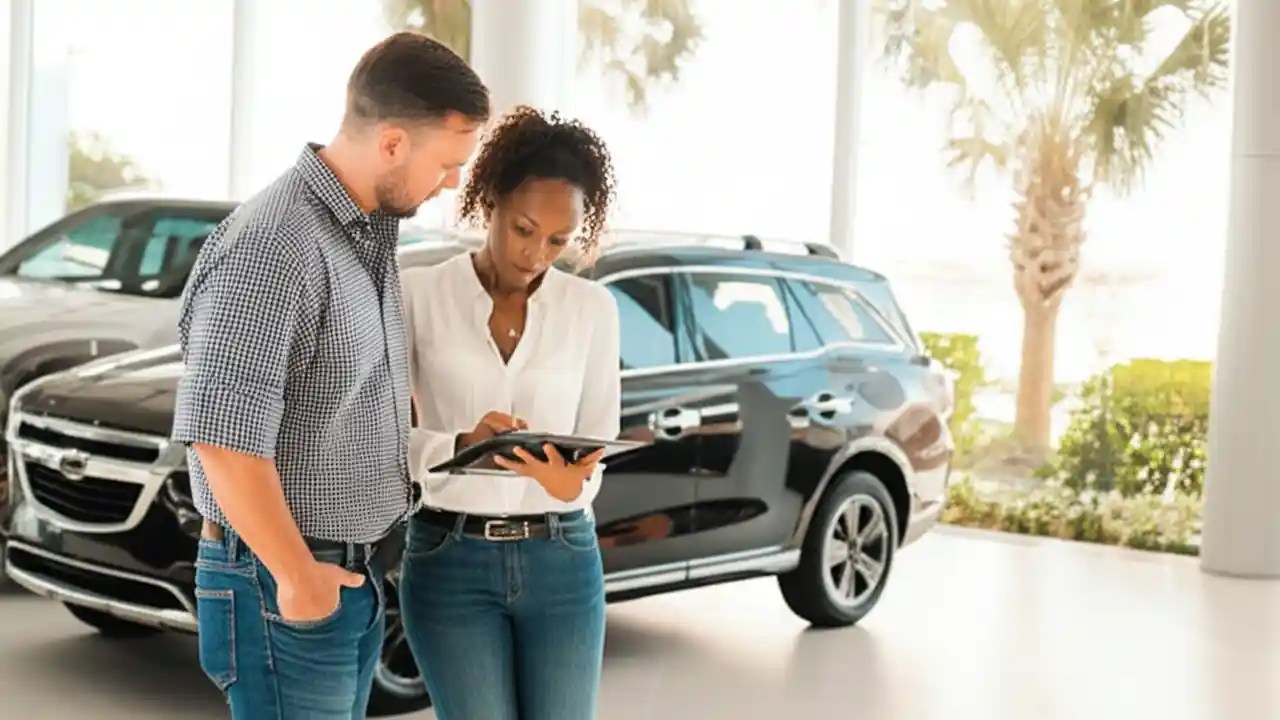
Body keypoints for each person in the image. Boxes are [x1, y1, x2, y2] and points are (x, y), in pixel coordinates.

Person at [171, 32, 488, 718]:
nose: (454, 182)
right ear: (395, 144)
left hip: (343, 574)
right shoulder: (275, 245)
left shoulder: (364, 234)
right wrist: (296, 576)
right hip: (280, 581)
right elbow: (222, 438)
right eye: (448, 162)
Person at [398, 106, 620, 720]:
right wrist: (458, 443)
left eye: (557, 240)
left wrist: (572, 481)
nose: (536, 254)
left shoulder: (593, 309)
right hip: (450, 556)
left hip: (563, 559)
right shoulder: (418, 292)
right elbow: (382, 433)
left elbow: (599, 436)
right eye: (523, 229)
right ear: (489, 201)